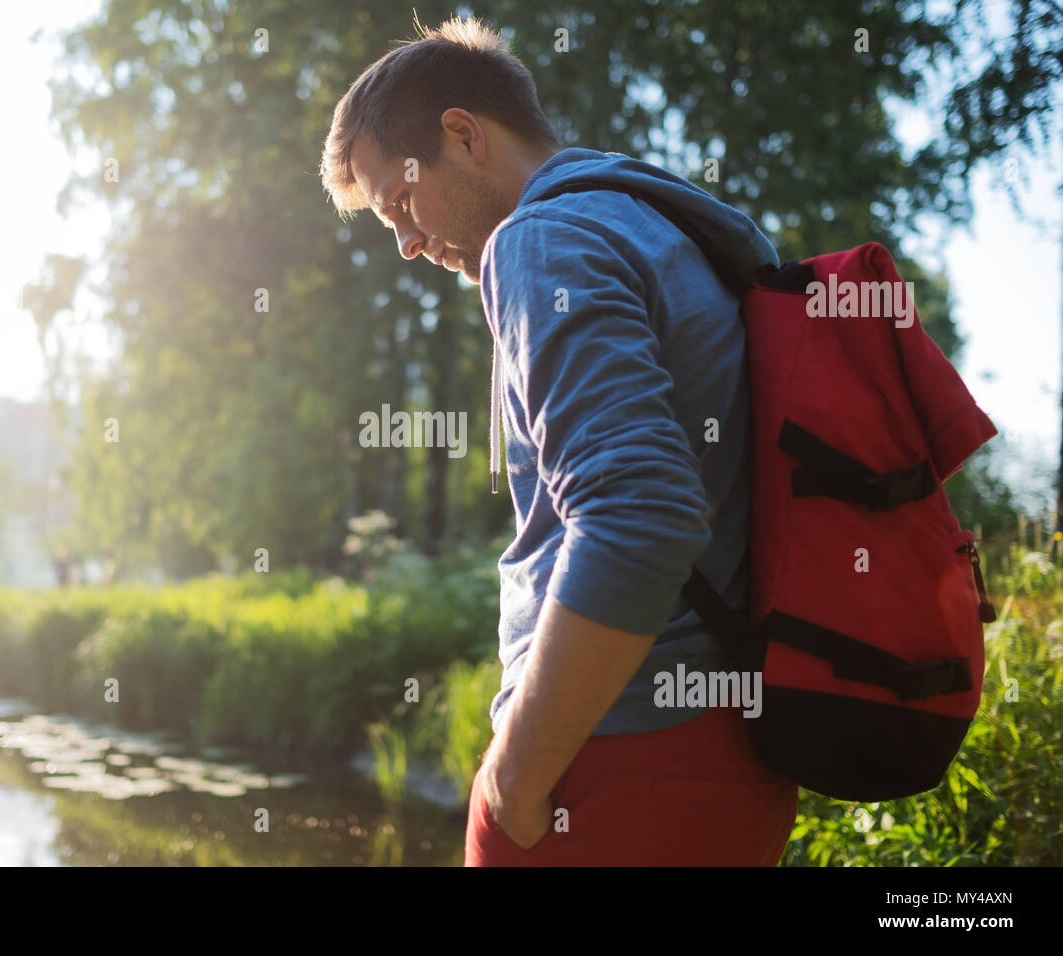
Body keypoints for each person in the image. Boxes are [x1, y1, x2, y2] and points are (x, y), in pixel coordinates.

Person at [319, 15, 798, 865]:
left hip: (617, 761)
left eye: (400, 202)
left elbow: (640, 513)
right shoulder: (670, 227)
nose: (406, 242)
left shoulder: (542, 240)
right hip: (733, 754)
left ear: (462, 136)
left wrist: (515, 777)